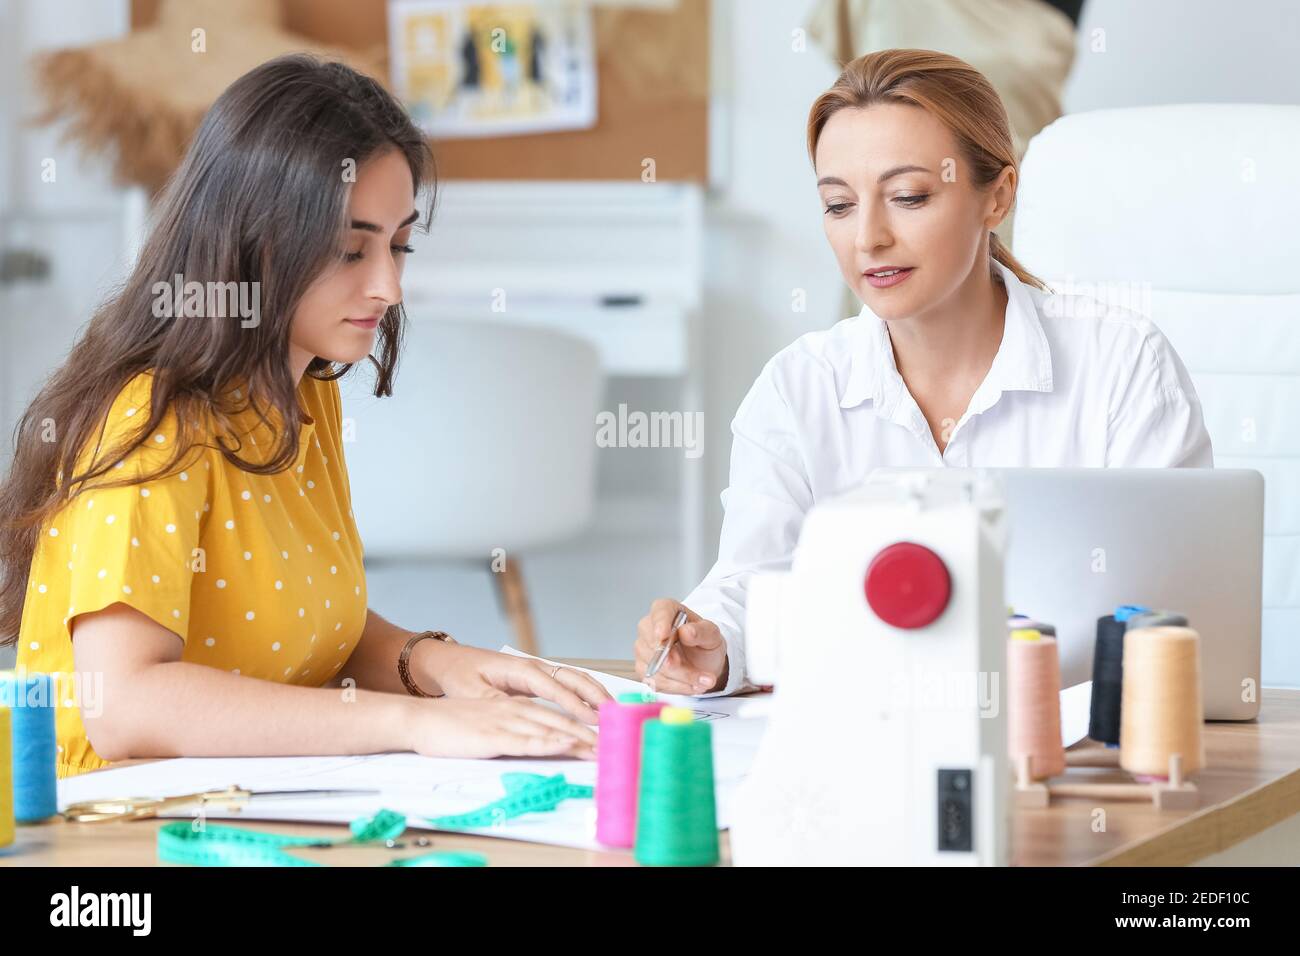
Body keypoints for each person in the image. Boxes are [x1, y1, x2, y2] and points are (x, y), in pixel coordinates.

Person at [0, 55, 612, 779]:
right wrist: (414, 720)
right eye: (351, 250)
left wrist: (441, 664)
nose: (387, 285)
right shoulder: (154, 419)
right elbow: (126, 706)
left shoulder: (302, 391)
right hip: (112, 828)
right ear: (253, 243)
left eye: (399, 244)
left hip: (243, 798)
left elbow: (301, 633)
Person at [633, 49, 1212, 698]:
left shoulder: (1122, 365)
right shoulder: (797, 389)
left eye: (908, 196)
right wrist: (711, 645)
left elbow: (1171, 616)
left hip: (1074, 768)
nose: (868, 238)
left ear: (998, 196)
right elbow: (751, 583)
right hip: (868, 750)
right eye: (839, 205)